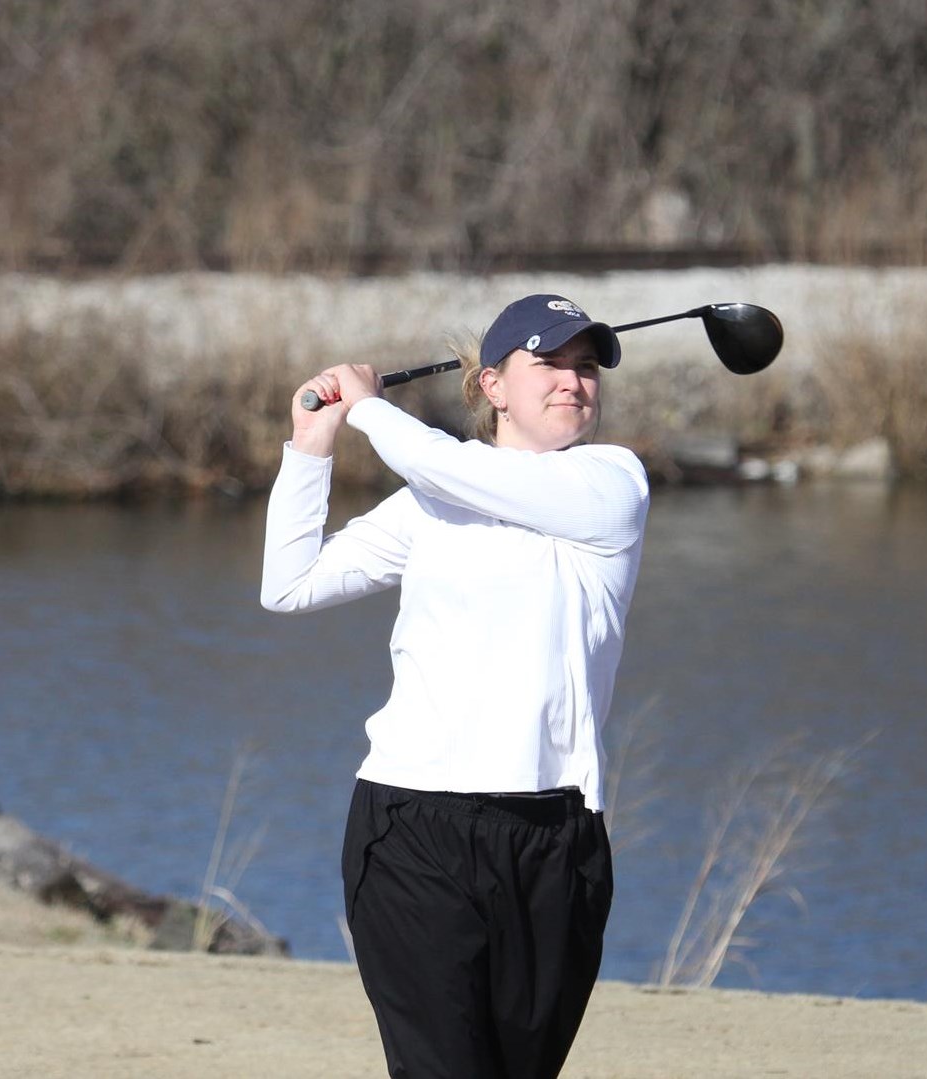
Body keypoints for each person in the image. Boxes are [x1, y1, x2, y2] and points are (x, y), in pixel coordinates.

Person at [259, 294, 649, 1079]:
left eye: (586, 368)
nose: (574, 382)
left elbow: (450, 464)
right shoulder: (430, 504)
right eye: (551, 363)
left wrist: (369, 408)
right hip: (411, 828)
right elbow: (289, 583)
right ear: (494, 385)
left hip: (553, 838)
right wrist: (309, 449)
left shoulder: (612, 483)